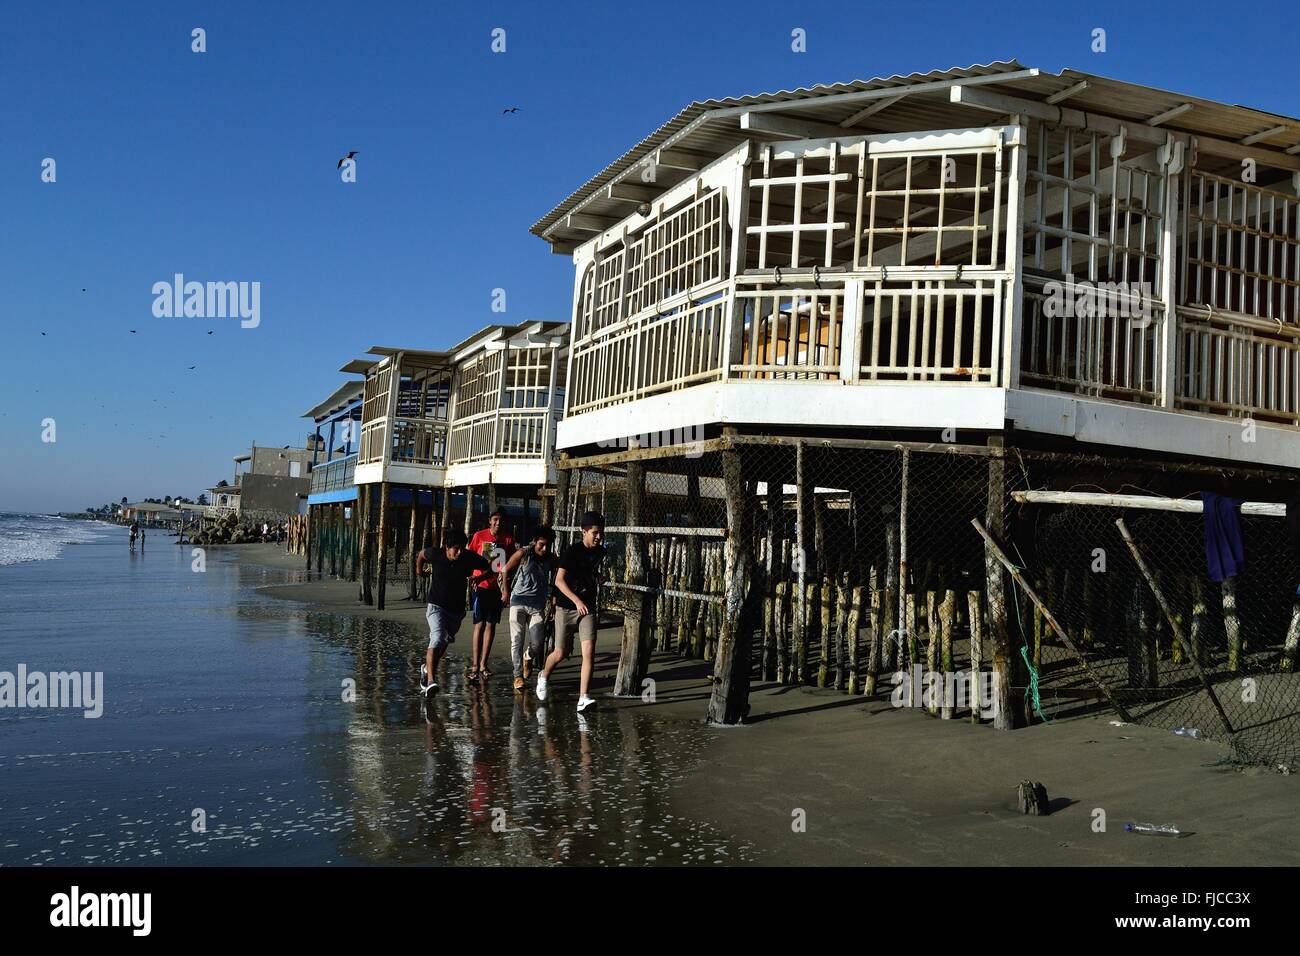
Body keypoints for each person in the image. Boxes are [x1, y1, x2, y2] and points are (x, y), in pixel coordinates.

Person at [536, 511, 606, 712]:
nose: (599, 537)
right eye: (595, 533)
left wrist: (598, 577)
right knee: (560, 652)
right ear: (584, 532)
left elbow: (588, 571)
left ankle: (583, 697)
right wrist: (575, 600)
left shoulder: (600, 552)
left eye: (601, 533)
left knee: (589, 652)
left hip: (587, 607)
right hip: (566, 607)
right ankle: (543, 676)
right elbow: (559, 580)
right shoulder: (572, 551)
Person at [415, 528, 496, 695]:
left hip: (456, 611)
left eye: (462, 548)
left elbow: (491, 567)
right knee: (436, 637)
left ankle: (425, 669)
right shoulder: (435, 554)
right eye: (455, 549)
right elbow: (421, 554)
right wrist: (419, 571)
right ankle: (430, 681)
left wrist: (479, 577)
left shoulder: (468, 557)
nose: (459, 552)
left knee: (443, 643)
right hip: (436, 605)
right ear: (446, 547)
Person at [501, 525, 557, 692]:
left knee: (537, 643)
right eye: (541, 544)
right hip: (517, 602)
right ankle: (517, 676)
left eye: (548, 545)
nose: (544, 548)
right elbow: (505, 570)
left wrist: (553, 602)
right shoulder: (523, 553)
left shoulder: (551, 558)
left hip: (537, 605)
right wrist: (506, 591)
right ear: (534, 542)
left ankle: (528, 657)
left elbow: (557, 579)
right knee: (516, 640)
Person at [467, 509, 515, 682]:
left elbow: (504, 567)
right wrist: (474, 576)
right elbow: (470, 556)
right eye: (495, 519)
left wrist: (505, 590)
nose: (498, 523)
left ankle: (483, 664)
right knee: (479, 624)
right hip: (480, 585)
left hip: (496, 587)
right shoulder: (480, 536)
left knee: (491, 625)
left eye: (501, 520)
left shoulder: (508, 540)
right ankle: (474, 665)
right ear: (489, 521)